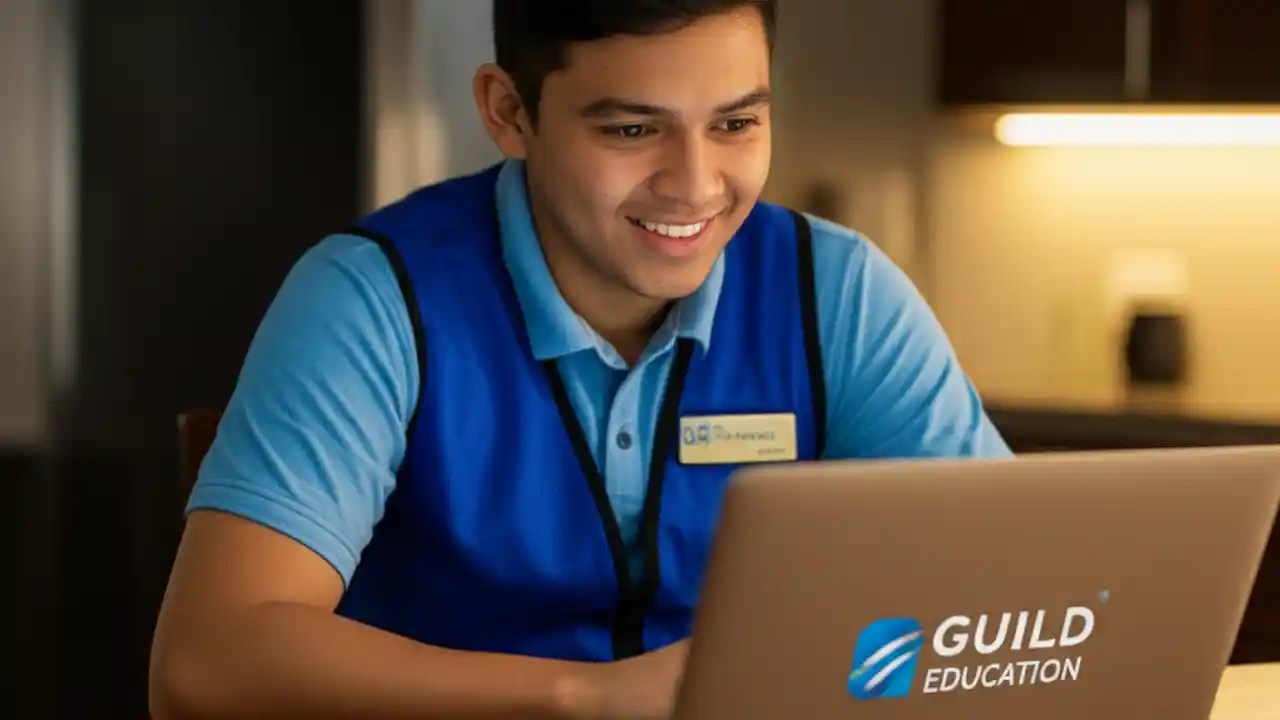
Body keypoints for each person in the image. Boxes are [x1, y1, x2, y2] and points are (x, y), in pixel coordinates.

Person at [148, 1, 1011, 718]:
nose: (696, 184)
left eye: (736, 123)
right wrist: (589, 696)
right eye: (633, 129)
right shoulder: (372, 299)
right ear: (507, 112)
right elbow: (204, 662)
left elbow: (1009, 603)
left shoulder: (837, 292)